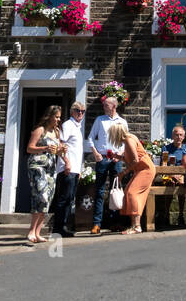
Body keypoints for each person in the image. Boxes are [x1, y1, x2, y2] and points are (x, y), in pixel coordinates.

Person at [87, 95, 127, 234]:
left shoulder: (122, 122)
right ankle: (97, 224)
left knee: (115, 190)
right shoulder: (100, 120)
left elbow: (125, 142)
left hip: (116, 160)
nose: (104, 107)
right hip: (102, 158)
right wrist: (96, 153)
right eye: (104, 105)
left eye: (106, 105)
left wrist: (120, 155)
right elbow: (91, 138)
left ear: (114, 106)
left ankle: (115, 222)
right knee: (99, 191)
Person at [26, 107, 65, 244]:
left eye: (60, 117)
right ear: (49, 116)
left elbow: (58, 151)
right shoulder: (40, 130)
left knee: (47, 198)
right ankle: (31, 231)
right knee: (40, 196)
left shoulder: (56, 132)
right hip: (38, 166)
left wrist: (62, 152)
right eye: (57, 117)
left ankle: (38, 232)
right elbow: (29, 148)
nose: (58, 120)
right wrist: (45, 148)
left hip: (51, 168)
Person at [109, 123, 155, 234]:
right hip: (140, 170)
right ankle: (133, 225)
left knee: (132, 193)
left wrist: (123, 173)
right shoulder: (128, 140)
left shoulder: (129, 140)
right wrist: (118, 157)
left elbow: (135, 160)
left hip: (145, 170)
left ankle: (137, 226)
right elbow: (131, 159)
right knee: (128, 192)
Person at [53, 102, 85, 237]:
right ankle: (58, 227)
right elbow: (60, 144)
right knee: (64, 198)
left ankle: (63, 226)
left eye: (83, 111)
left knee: (69, 198)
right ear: (72, 112)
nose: (81, 114)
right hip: (67, 168)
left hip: (75, 169)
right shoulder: (67, 125)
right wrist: (66, 163)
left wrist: (79, 169)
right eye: (78, 111)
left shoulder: (77, 127)